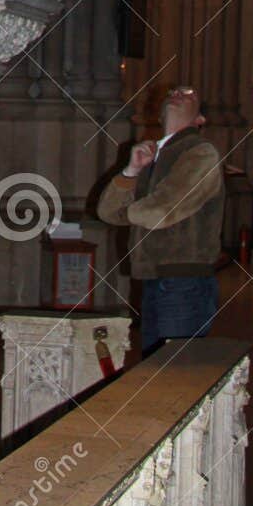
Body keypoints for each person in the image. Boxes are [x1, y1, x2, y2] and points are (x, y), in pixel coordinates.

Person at [97, 85, 225, 354]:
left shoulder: (201, 152)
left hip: (185, 282)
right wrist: (131, 171)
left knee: (174, 374)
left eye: (190, 93)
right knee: (154, 368)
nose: (178, 93)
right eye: (173, 92)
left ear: (200, 119)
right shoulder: (151, 156)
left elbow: (162, 210)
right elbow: (107, 212)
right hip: (153, 279)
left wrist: (127, 211)